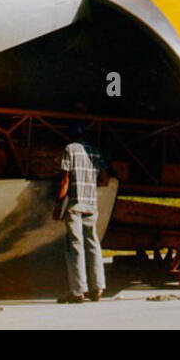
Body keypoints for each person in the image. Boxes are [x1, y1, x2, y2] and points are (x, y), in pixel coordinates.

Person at [55, 123, 109, 303]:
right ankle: (98, 288)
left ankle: (78, 291)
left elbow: (65, 181)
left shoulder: (69, 149)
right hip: (91, 204)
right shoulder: (95, 151)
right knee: (93, 244)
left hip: (75, 204)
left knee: (75, 246)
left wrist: (58, 205)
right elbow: (105, 180)